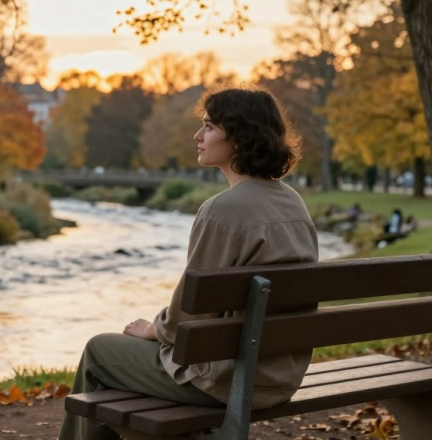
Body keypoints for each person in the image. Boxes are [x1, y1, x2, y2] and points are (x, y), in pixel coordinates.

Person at [59, 87, 319, 440]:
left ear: (240, 138)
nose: (198, 136)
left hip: (226, 382)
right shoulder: (293, 203)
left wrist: (153, 329)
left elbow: (187, 319)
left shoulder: (221, 211)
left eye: (209, 127)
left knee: (99, 350)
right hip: (280, 377)